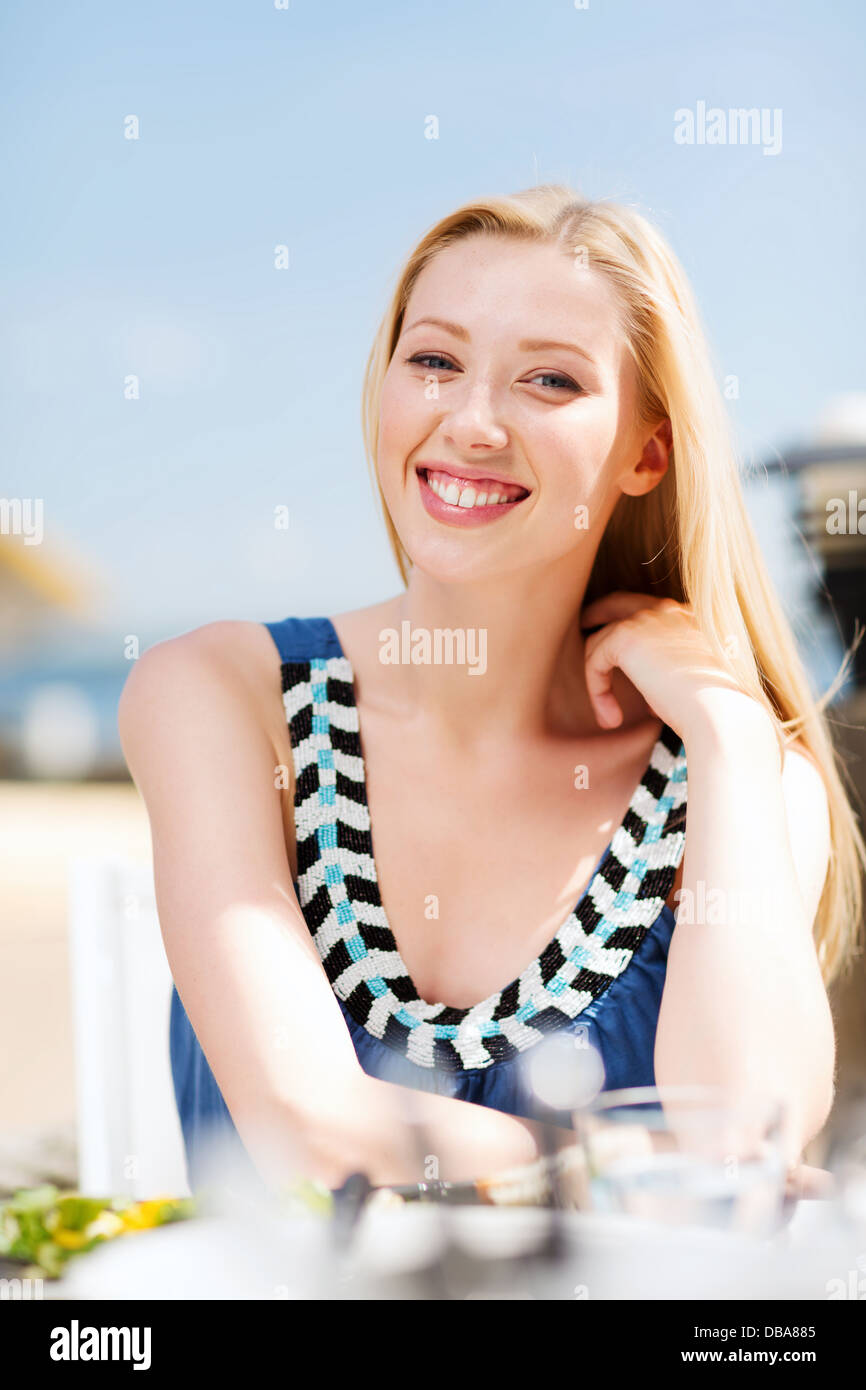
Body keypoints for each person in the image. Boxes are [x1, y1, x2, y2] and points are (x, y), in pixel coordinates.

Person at [118, 185, 864, 1199]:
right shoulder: (220, 695)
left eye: (547, 380)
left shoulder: (735, 775)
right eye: (432, 360)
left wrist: (729, 733)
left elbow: (742, 1143)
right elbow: (308, 1128)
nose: (469, 422)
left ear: (646, 451)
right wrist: (633, 1162)